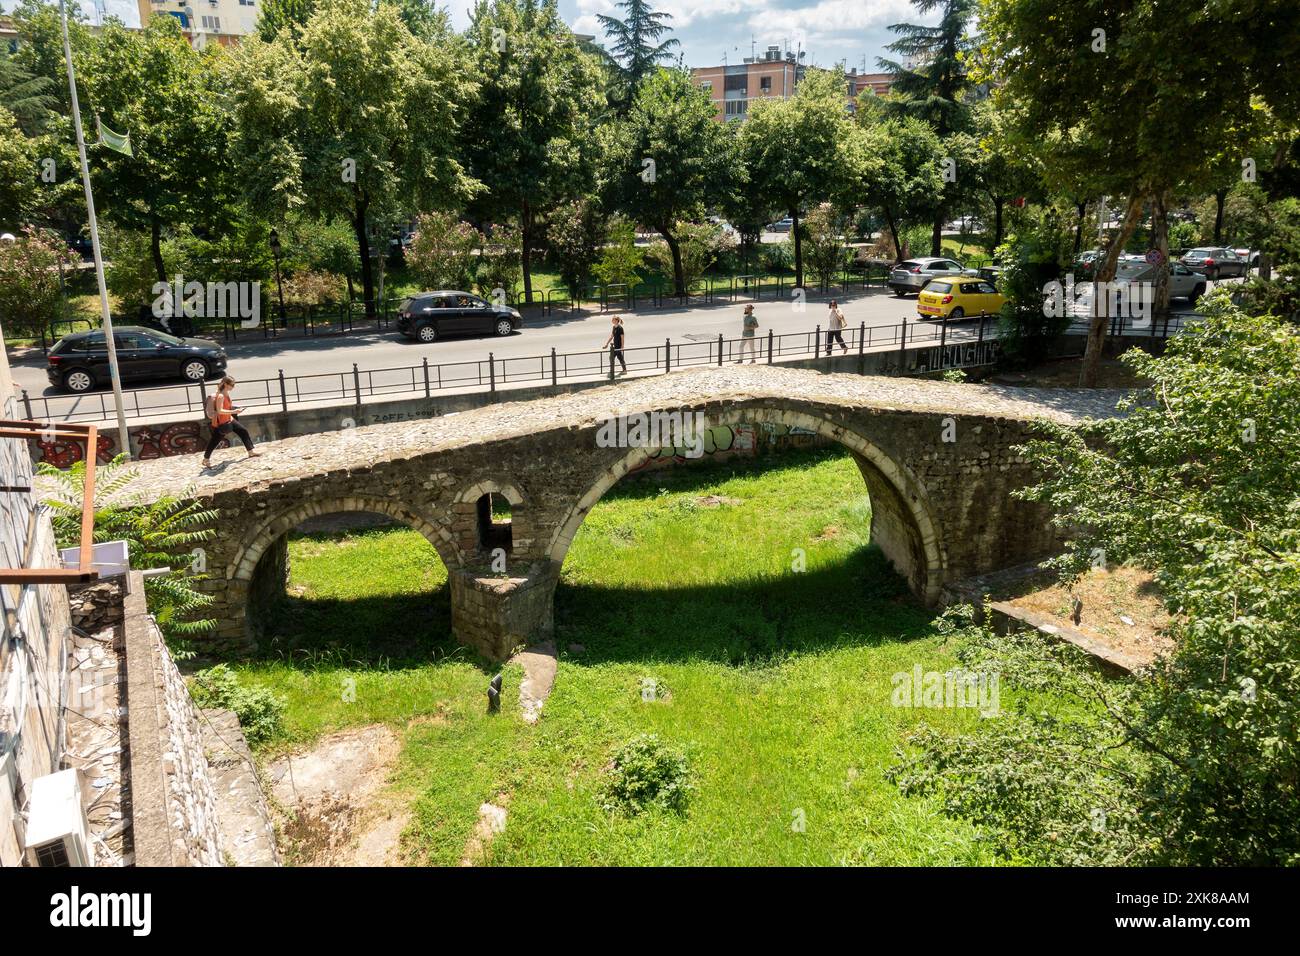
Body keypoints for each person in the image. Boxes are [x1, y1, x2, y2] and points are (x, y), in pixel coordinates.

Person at [201, 376, 262, 468]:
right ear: (225, 384)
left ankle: (251, 452)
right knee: (215, 440)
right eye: (232, 385)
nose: (233, 387)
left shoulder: (226, 393)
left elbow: (226, 407)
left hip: (229, 418)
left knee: (243, 431)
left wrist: (235, 409)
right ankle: (206, 459)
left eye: (234, 384)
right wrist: (234, 412)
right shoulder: (221, 395)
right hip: (221, 421)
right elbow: (220, 410)